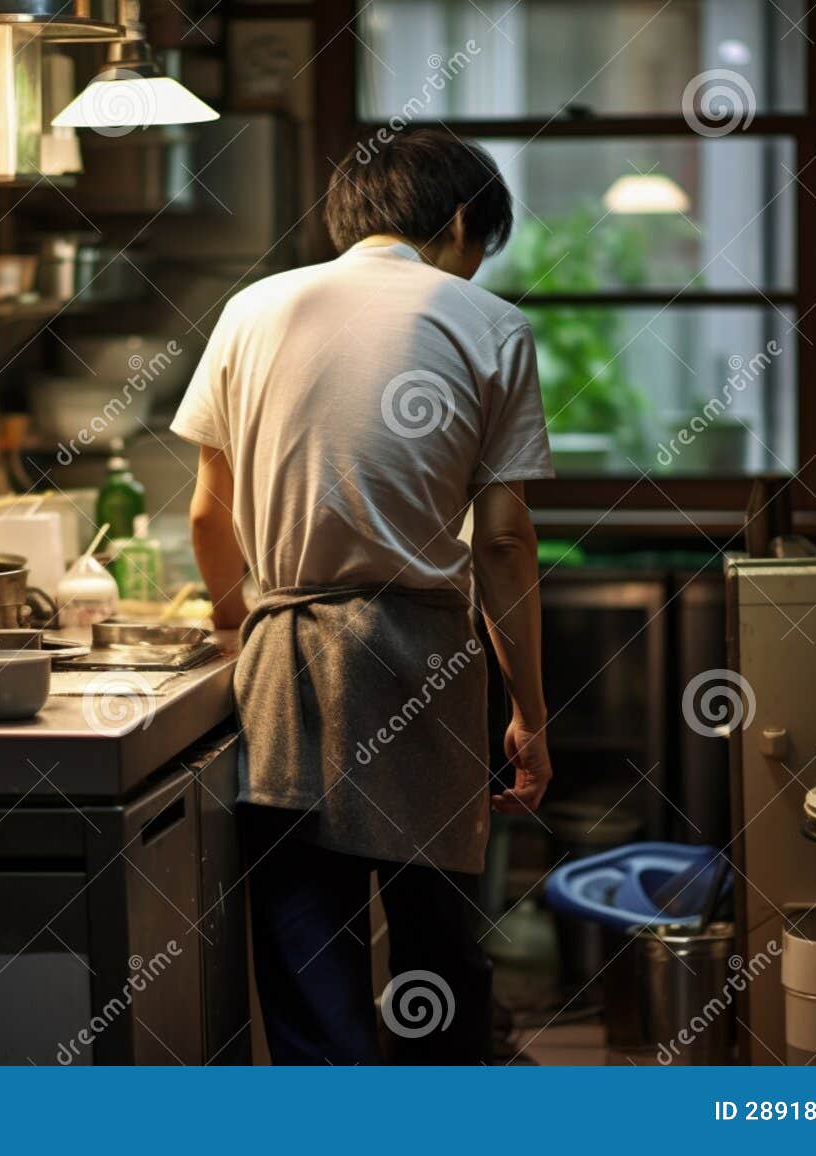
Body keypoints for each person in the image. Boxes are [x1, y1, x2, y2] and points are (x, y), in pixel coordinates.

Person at [171, 128, 555, 1064]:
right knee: (434, 949)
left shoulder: (251, 309)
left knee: (308, 960)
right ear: (462, 222)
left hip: (284, 666)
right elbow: (501, 541)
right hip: (420, 667)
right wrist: (531, 717)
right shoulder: (488, 323)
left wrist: (237, 619)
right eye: (478, 243)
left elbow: (207, 517)